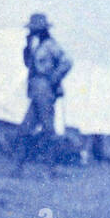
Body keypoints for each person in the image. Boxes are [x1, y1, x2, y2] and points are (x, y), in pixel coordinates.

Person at [14, 13, 72, 169]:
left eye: (34, 30)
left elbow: (67, 62)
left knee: (48, 129)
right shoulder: (36, 46)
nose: (31, 32)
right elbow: (28, 64)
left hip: (45, 89)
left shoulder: (50, 45)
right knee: (25, 128)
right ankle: (19, 167)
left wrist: (53, 78)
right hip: (35, 90)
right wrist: (27, 46)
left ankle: (51, 168)